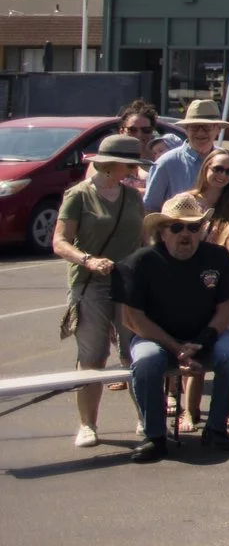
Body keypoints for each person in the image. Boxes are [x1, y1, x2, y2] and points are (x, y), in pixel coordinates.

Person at [114, 194, 229, 459]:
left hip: (205, 337)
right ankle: (155, 437)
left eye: (193, 227)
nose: (185, 234)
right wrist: (176, 349)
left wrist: (203, 341)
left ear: (201, 231)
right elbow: (133, 319)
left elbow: (227, 306)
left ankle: (216, 429)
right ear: (162, 232)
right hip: (156, 339)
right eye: (176, 227)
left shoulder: (218, 257)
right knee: (146, 361)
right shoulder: (138, 262)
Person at [53, 132, 151, 449]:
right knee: (92, 356)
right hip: (90, 283)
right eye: (129, 165)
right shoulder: (79, 195)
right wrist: (88, 260)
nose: (134, 170)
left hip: (127, 284)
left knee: (135, 352)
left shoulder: (133, 197)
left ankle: (147, 420)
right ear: (111, 165)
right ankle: (87, 424)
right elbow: (60, 242)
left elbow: (143, 241)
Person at [142, 99, 227, 209]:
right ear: (186, 129)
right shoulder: (166, 164)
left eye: (207, 127)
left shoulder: (227, 161)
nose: (200, 132)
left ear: (218, 129)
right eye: (195, 127)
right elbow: (150, 208)